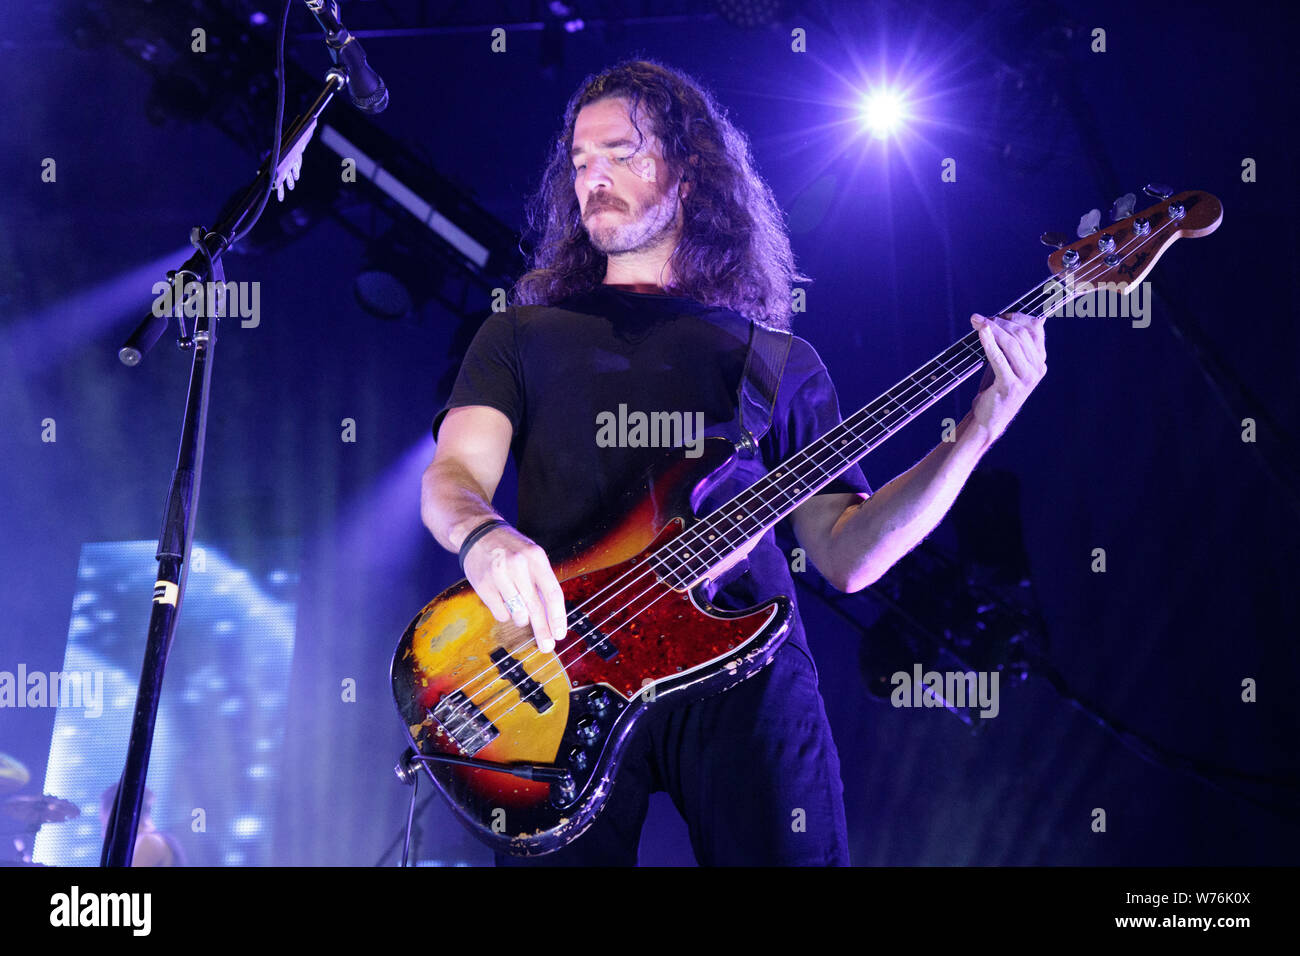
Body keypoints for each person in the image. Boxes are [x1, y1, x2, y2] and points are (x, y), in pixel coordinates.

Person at [421, 59, 1046, 865]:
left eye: (621, 153)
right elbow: (453, 476)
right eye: (580, 162)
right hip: (559, 667)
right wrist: (484, 537)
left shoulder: (778, 360)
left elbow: (847, 556)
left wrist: (979, 430)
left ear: (688, 173)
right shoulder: (518, 335)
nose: (593, 179)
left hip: (742, 664)